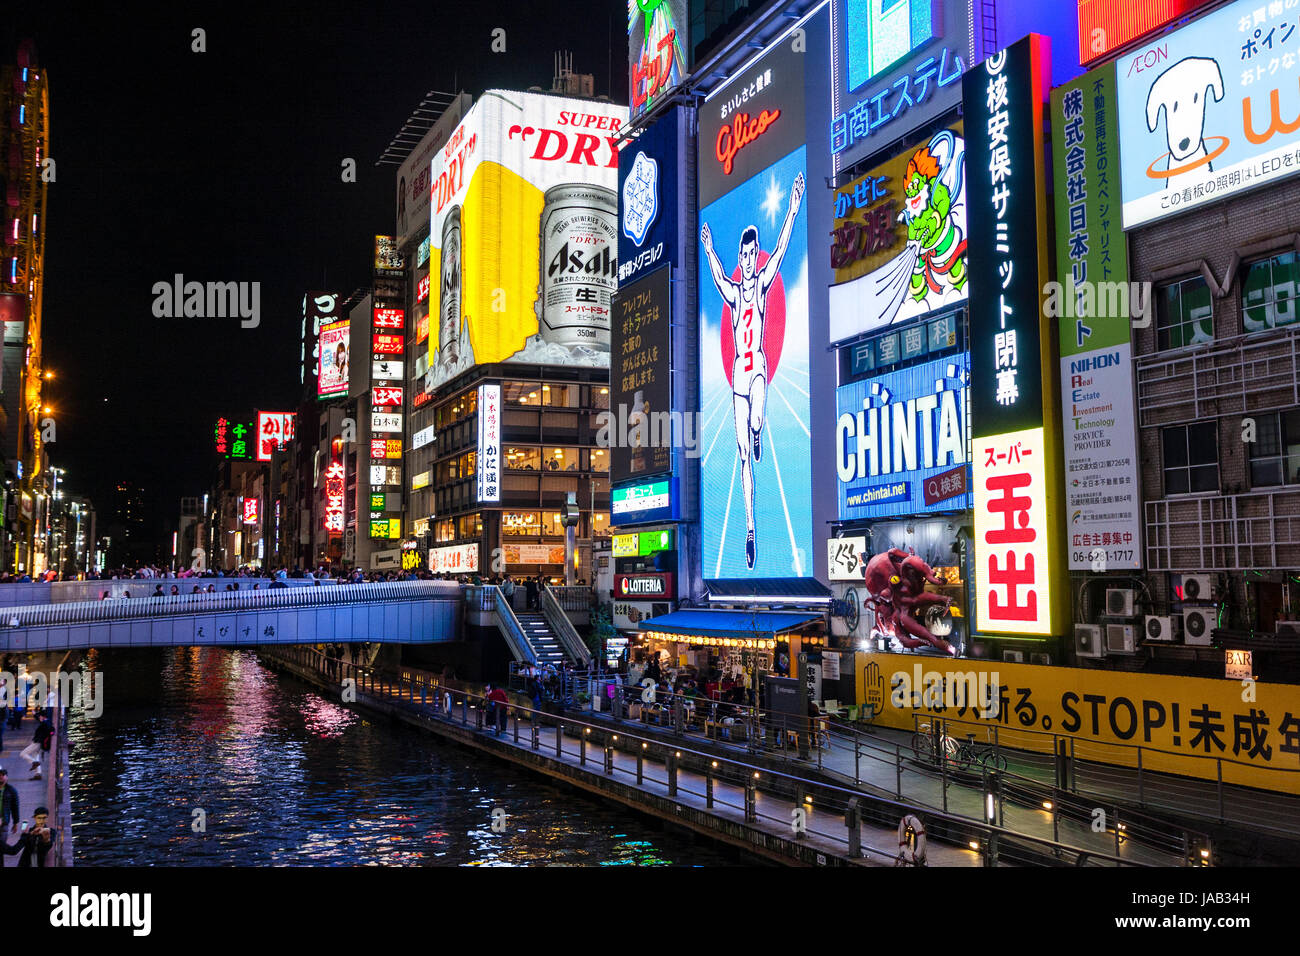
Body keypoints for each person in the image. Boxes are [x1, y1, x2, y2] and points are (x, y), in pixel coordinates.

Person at [700, 169, 805, 569]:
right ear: (738, 258)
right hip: (737, 382)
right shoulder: (732, 288)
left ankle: (759, 430)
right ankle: (749, 529)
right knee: (744, 458)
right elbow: (715, 276)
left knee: (757, 420)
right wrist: (709, 248)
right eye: (742, 256)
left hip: (757, 368)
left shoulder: (760, 285)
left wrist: (793, 206)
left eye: (750, 254)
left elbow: (780, 248)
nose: (746, 261)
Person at [22, 714, 53, 780]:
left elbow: (48, 731)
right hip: (39, 743)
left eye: (40, 716)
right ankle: (38, 774)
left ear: (44, 717)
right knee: (35, 756)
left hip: (37, 742)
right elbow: (52, 731)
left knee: (23, 754)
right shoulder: (47, 722)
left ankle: (34, 762)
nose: (39, 718)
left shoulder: (45, 723)